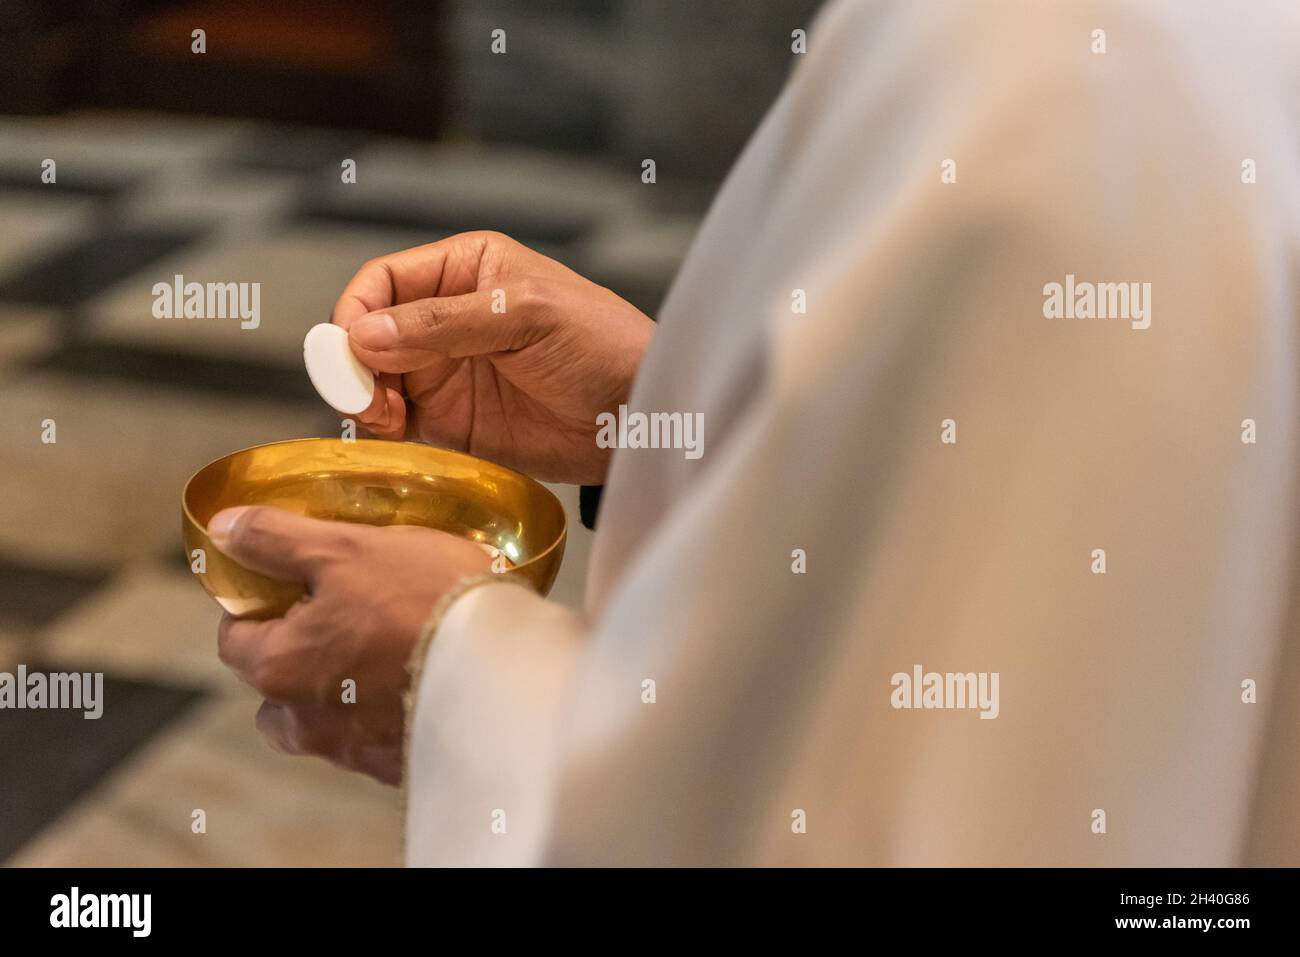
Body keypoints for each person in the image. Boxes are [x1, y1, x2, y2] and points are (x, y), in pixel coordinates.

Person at [208, 0, 1300, 865]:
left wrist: (448, 673)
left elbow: (845, 811)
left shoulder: (1033, 62)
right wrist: (672, 412)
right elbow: (1073, 516)